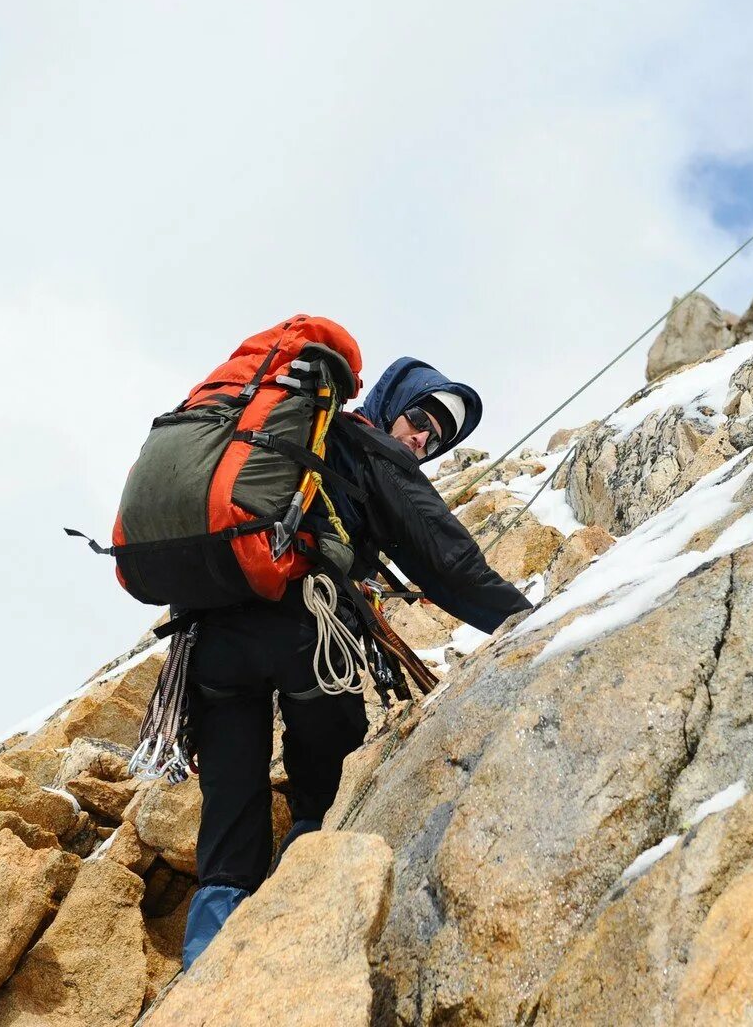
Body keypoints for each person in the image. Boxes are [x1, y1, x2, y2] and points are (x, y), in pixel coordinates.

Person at [181, 356, 531, 966]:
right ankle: (300, 905)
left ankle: (207, 957)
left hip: (210, 635)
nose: (422, 440)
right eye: (420, 419)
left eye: (437, 439)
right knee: (332, 759)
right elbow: (448, 563)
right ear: (393, 404)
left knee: (231, 794)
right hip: (301, 629)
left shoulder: (289, 442)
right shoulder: (370, 448)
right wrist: (532, 619)